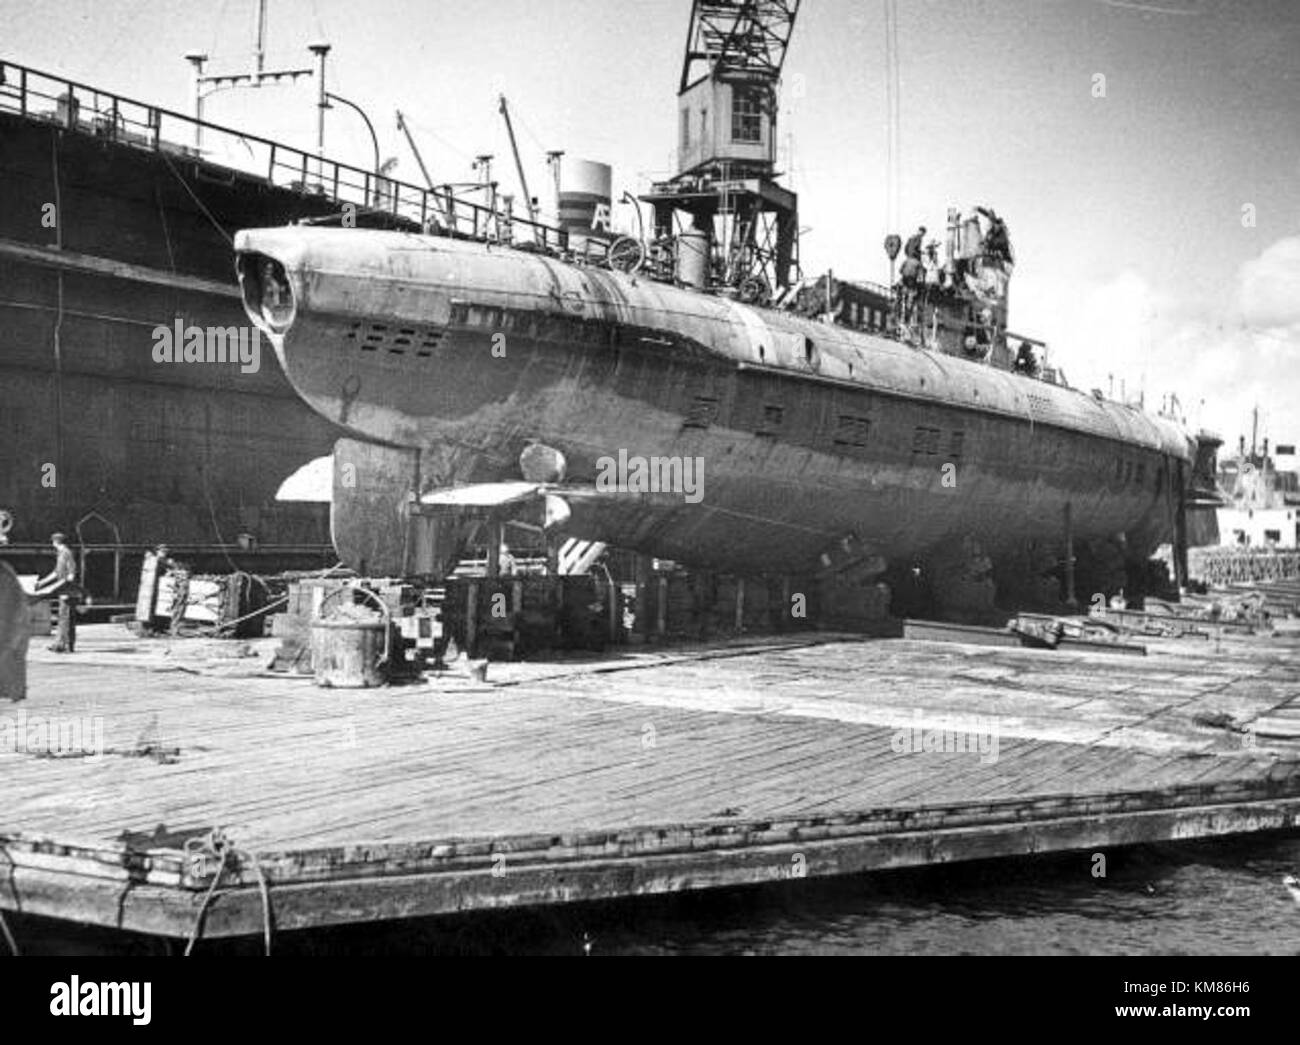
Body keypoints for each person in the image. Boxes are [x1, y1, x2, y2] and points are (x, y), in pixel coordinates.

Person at [35, 532, 80, 653]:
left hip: (67, 590)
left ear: (55, 542)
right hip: (63, 589)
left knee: (67, 617)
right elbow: (56, 573)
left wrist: (67, 589)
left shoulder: (66, 553)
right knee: (63, 616)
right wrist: (42, 582)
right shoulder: (61, 554)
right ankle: (61, 644)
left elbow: (71, 572)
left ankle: (65, 645)